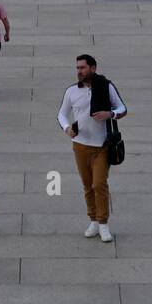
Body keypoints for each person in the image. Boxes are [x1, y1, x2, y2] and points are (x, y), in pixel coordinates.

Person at [57, 54, 126, 243]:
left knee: (99, 184)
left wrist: (109, 113)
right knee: (88, 186)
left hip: (102, 146)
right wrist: (67, 128)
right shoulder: (72, 91)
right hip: (80, 146)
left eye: (83, 68)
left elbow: (122, 109)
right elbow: (61, 114)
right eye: (77, 68)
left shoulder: (106, 86)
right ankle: (93, 220)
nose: (79, 71)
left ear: (93, 68)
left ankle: (103, 224)